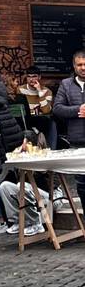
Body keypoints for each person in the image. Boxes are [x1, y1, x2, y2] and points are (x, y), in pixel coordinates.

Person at [52, 52, 85, 219]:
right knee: (82, 184)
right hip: (78, 141)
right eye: (79, 65)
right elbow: (57, 108)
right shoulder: (66, 84)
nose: (83, 68)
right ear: (74, 66)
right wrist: (78, 110)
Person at [17, 71, 56, 149]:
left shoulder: (47, 91)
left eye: (34, 76)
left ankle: (51, 149)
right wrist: (34, 111)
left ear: (39, 77)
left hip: (41, 119)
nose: (31, 79)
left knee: (51, 123)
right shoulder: (20, 89)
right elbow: (21, 109)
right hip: (26, 119)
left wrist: (40, 92)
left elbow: (46, 110)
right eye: (29, 76)